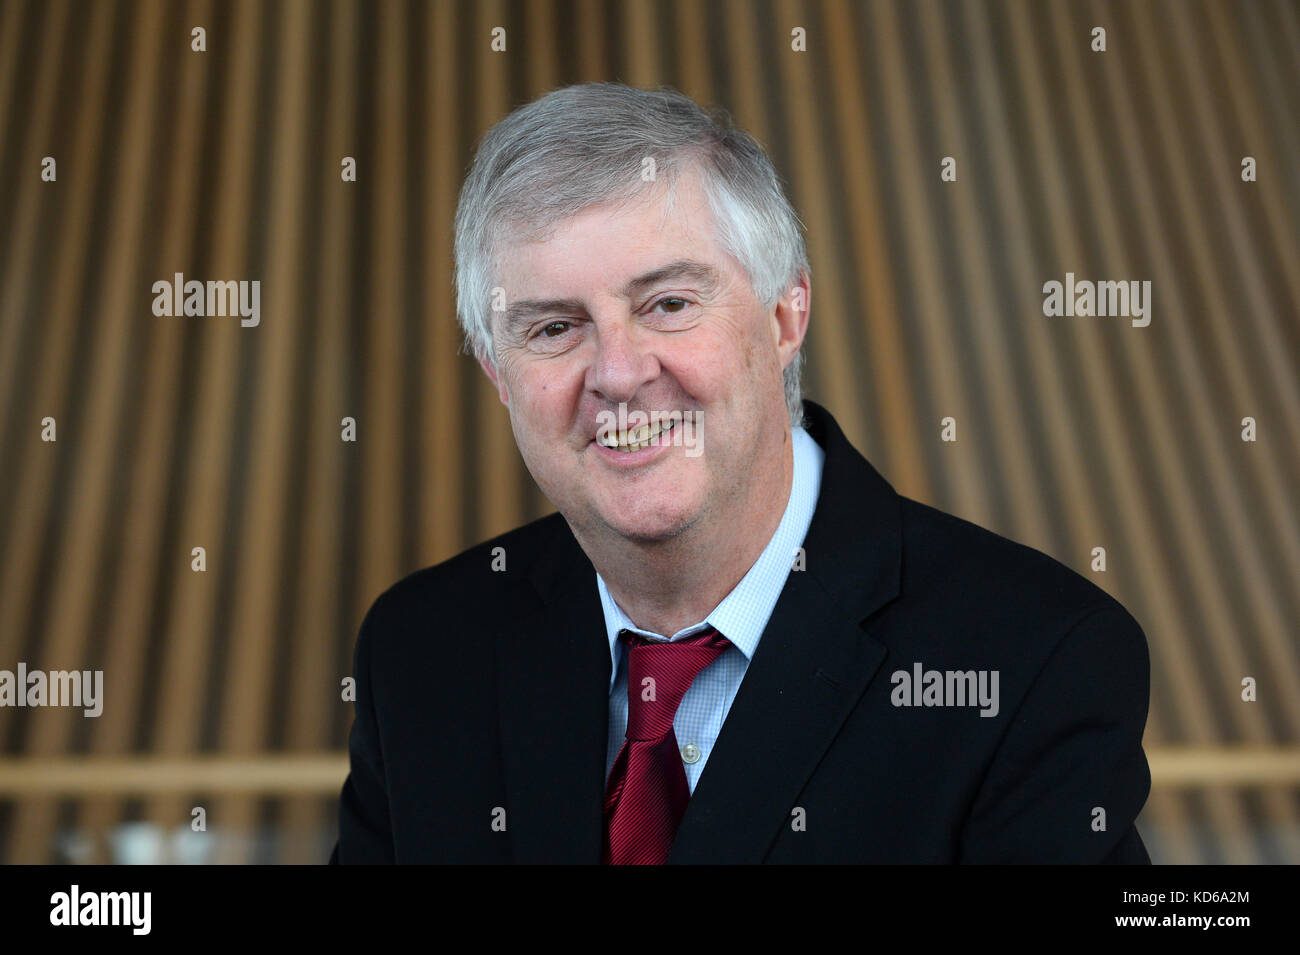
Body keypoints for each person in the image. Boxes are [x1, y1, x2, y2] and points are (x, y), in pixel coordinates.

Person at [330, 82, 1152, 864]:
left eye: (669, 304)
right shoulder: (423, 655)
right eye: (554, 327)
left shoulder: (1029, 663)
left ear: (786, 315)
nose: (617, 373)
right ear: (498, 374)